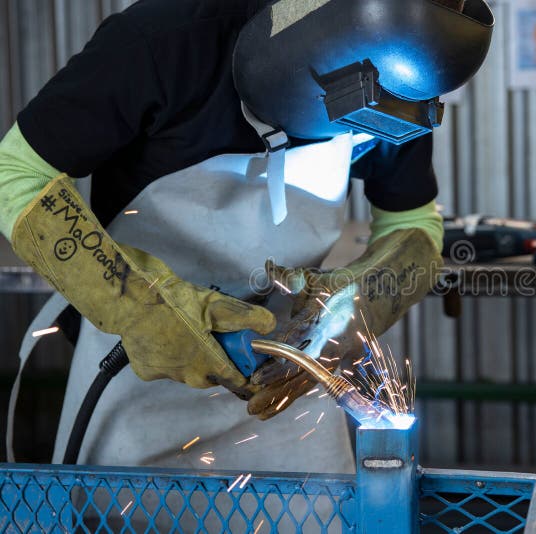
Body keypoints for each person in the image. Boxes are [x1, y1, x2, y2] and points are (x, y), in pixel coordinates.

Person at [0, 0, 492, 476]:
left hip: (288, 382)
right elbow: (13, 174)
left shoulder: (401, 82)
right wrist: (142, 306)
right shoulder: (164, 43)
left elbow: (413, 223)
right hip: (136, 372)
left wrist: (358, 301)